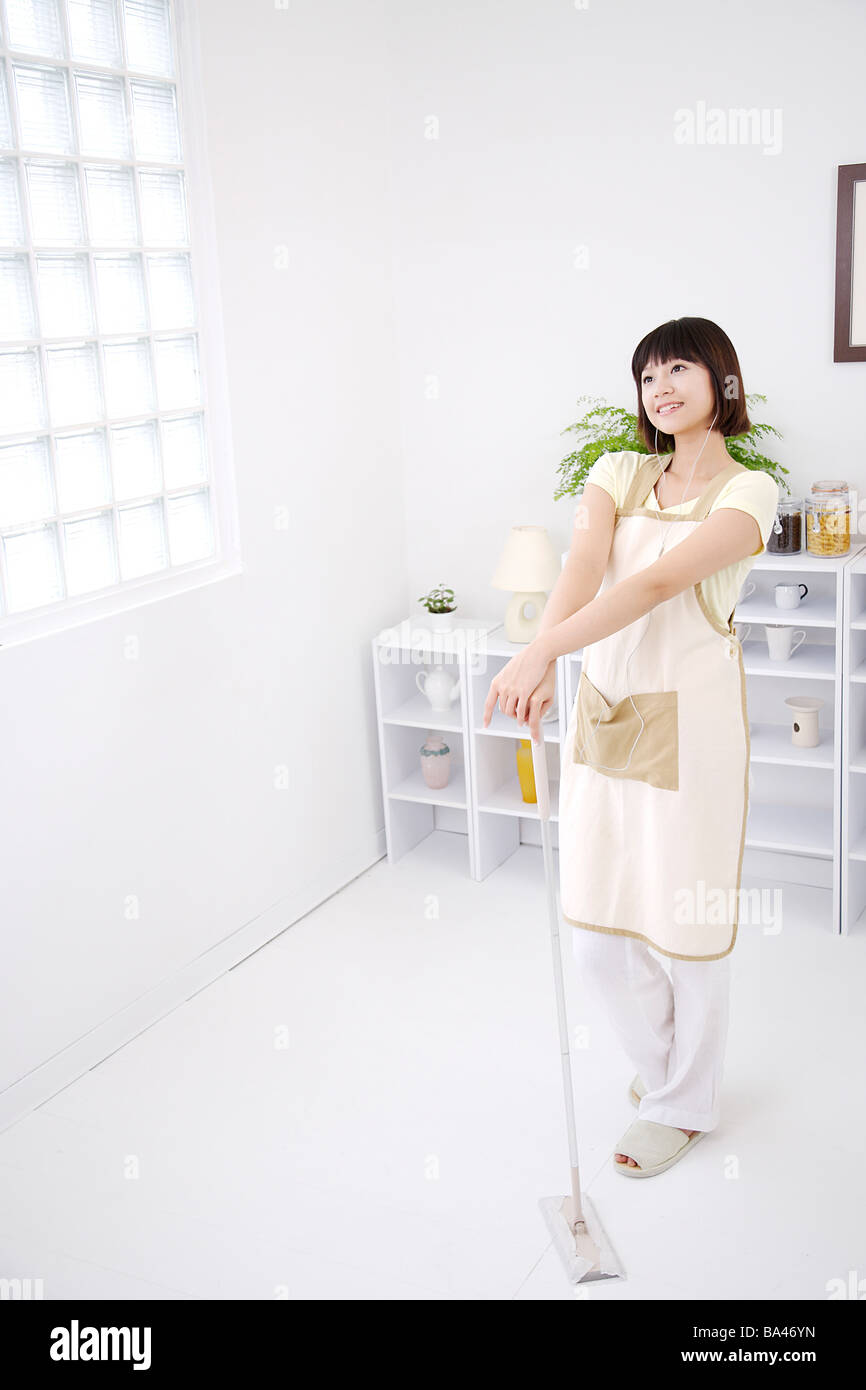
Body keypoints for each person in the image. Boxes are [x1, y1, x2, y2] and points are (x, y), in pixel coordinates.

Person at [482, 317, 779, 1178]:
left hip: (695, 727)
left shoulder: (748, 492)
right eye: (647, 377)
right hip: (611, 708)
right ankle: (665, 1078)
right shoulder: (615, 471)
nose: (660, 388)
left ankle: (686, 1103)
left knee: (682, 921)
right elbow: (583, 569)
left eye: (678, 368)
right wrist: (546, 650)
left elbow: (655, 582)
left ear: (720, 379)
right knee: (601, 927)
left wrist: (542, 653)